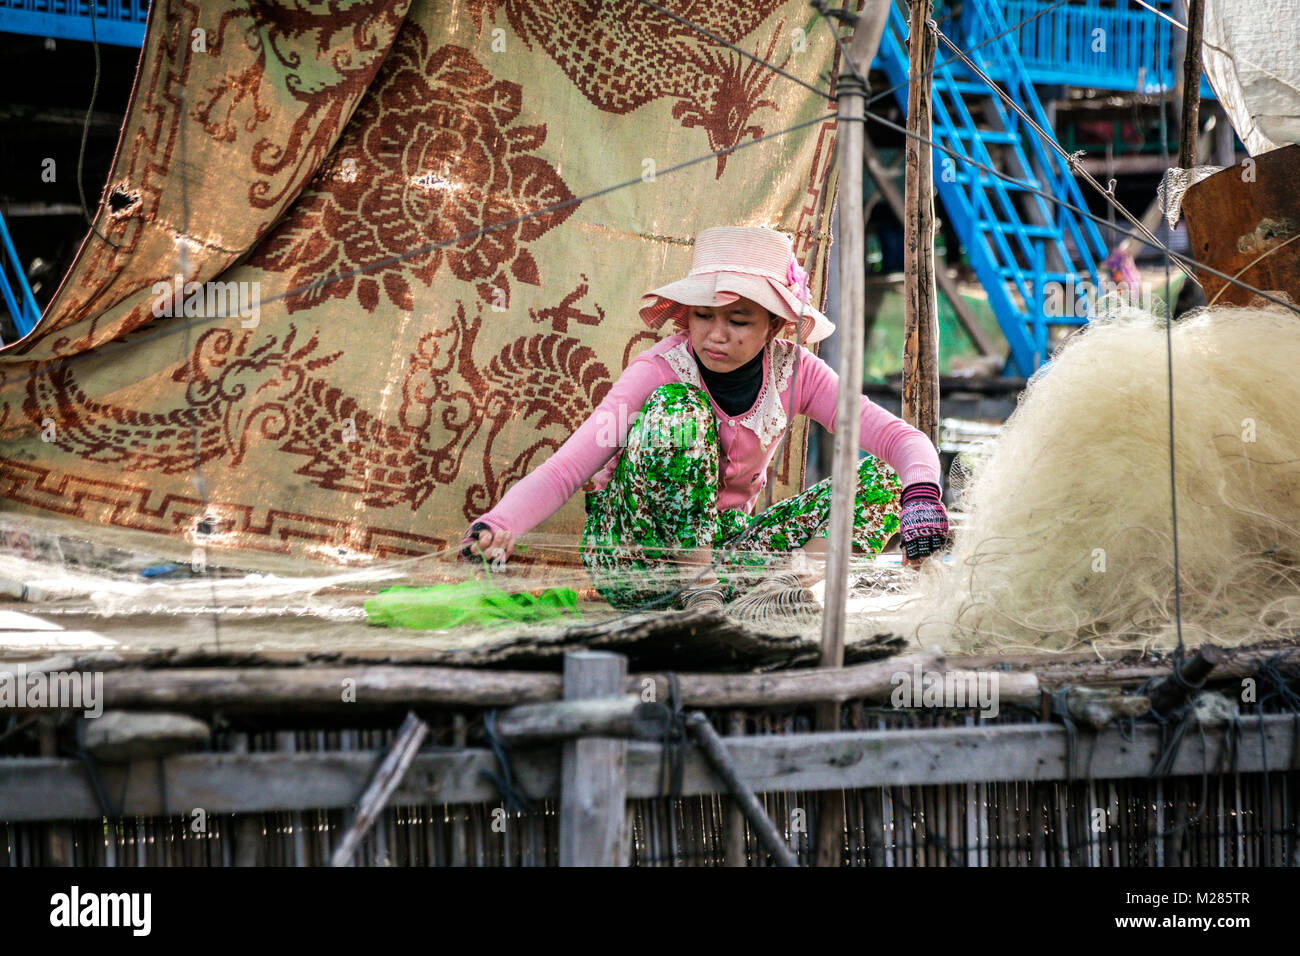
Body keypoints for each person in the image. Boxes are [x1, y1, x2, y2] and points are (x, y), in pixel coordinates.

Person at [460, 225, 949, 611]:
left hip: (733, 558)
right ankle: (699, 587)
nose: (716, 336)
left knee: (889, 476)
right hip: (638, 561)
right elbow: (569, 467)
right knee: (679, 411)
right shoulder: (657, 371)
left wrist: (922, 494)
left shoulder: (796, 371)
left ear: (775, 325)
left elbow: (900, 440)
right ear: (685, 314)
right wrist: (501, 524)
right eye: (702, 317)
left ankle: (785, 589)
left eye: (739, 322)